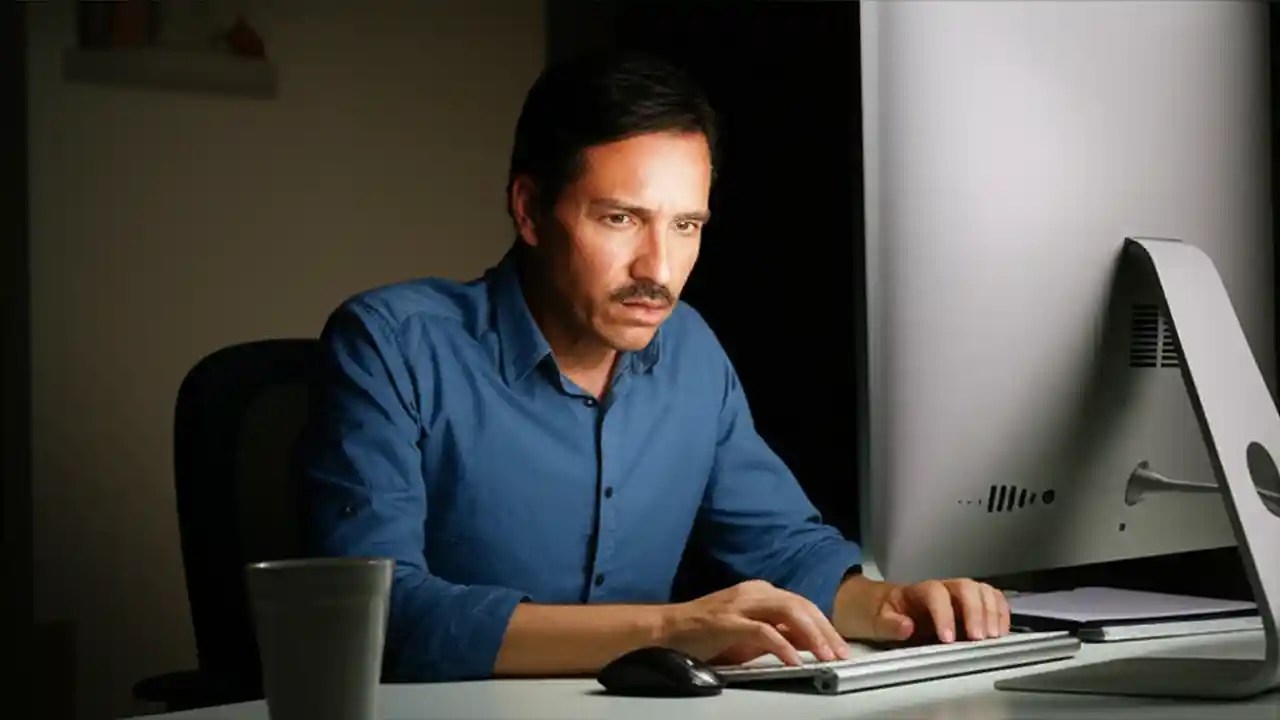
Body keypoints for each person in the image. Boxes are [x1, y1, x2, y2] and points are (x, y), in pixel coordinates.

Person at [297, 51, 1011, 684]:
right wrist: (669, 629)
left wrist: (895, 603)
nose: (659, 270)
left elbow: (785, 550)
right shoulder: (391, 344)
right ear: (530, 210)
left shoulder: (691, 350)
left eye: (685, 226)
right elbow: (378, 613)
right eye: (620, 219)